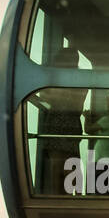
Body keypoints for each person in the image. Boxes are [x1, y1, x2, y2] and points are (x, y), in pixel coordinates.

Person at [34, 47, 86, 196]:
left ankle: (60, 199)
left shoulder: (56, 78)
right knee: (71, 165)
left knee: (57, 168)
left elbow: (45, 95)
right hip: (73, 125)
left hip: (56, 124)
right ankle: (73, 198)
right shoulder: (81, 79)